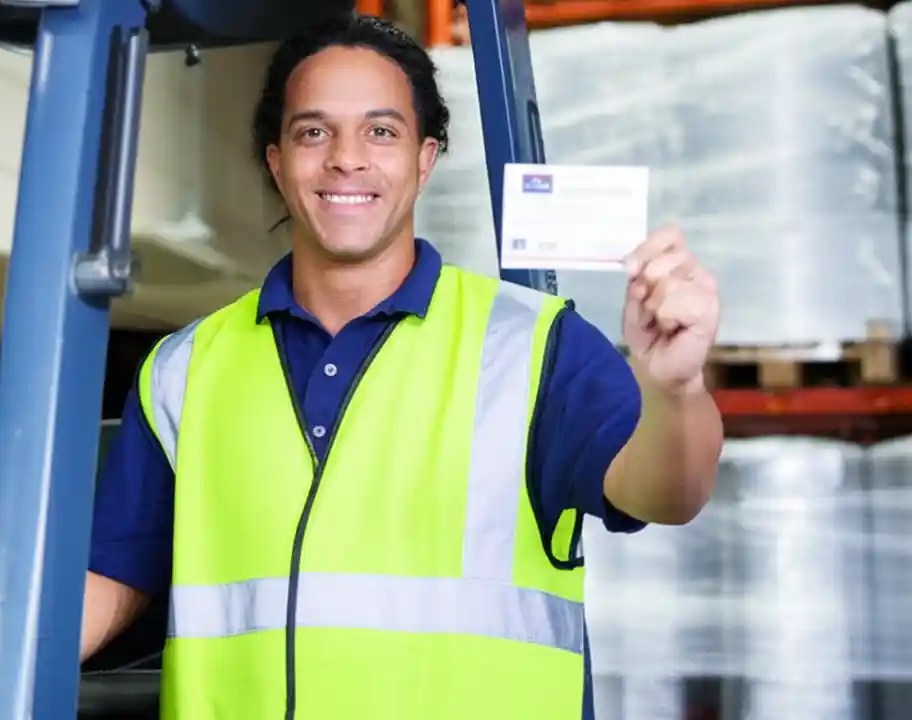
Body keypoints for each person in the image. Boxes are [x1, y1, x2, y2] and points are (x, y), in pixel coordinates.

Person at [81, 13, 723, 719]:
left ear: (425, 158)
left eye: (381, 131)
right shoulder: (185, 370)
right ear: (275, 159)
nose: (346, 158)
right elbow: (113, 577)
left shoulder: (533, 346)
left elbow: (667, 495)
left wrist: (676, 389)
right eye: (313, 131)